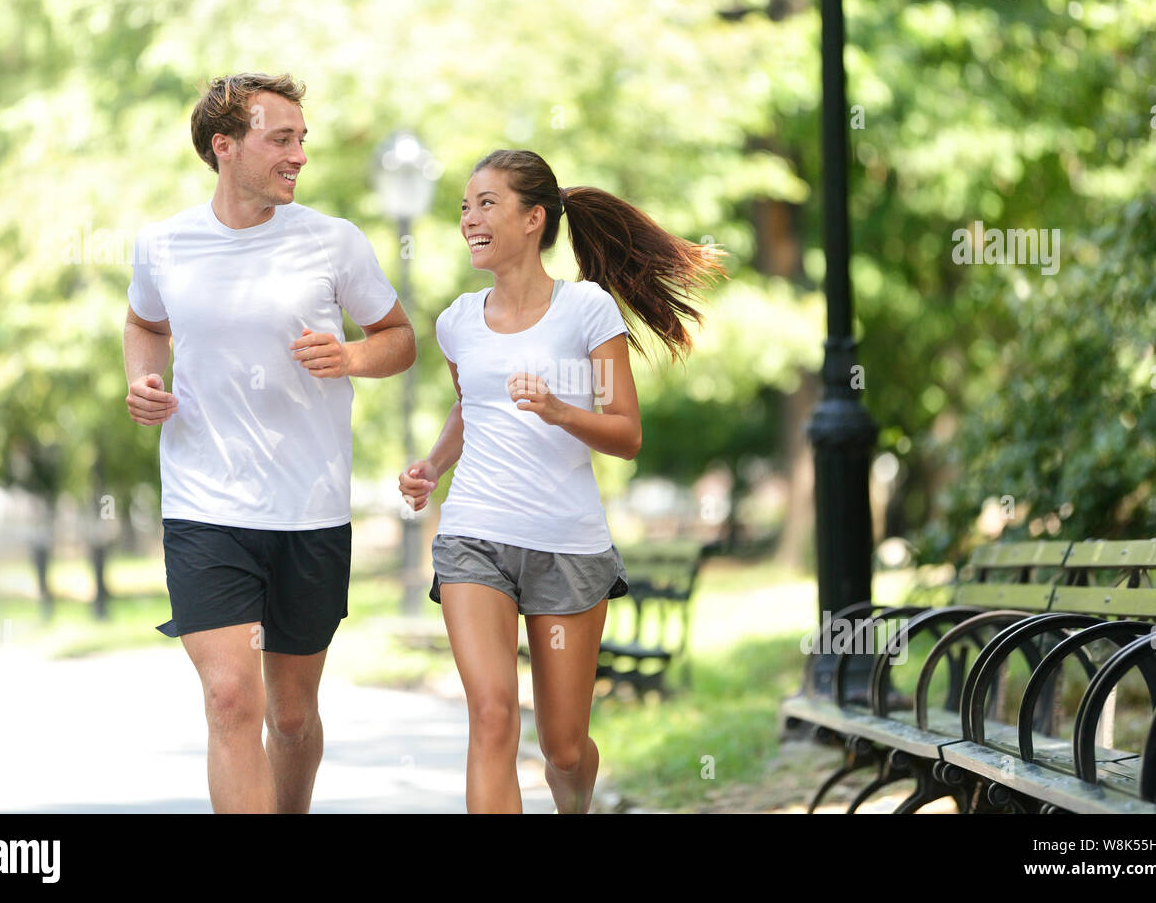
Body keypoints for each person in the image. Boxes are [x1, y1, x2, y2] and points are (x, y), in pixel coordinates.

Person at [123, 73, 415, 813]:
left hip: (308, 510)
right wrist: (145, 381)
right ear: (225, 147)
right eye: (281, 139)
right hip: (204, 505)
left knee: (289, 715)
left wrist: (351, 356)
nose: (300, 156)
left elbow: (400, 340)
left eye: (301, 140)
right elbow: (144, 326)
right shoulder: (163, 245)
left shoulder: (334, 242)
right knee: (230, 700)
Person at [398, 148, 723, 813]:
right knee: (491, 715)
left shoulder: (586, 311)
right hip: (474, 538)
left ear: (532, 218)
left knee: (565, 751)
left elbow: (626, 433)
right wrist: (432, 466)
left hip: (566, 546)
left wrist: (557, 410)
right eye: (464, 206)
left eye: (486, 204)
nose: (468, 219)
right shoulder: (457, 321)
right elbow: (472, 408)